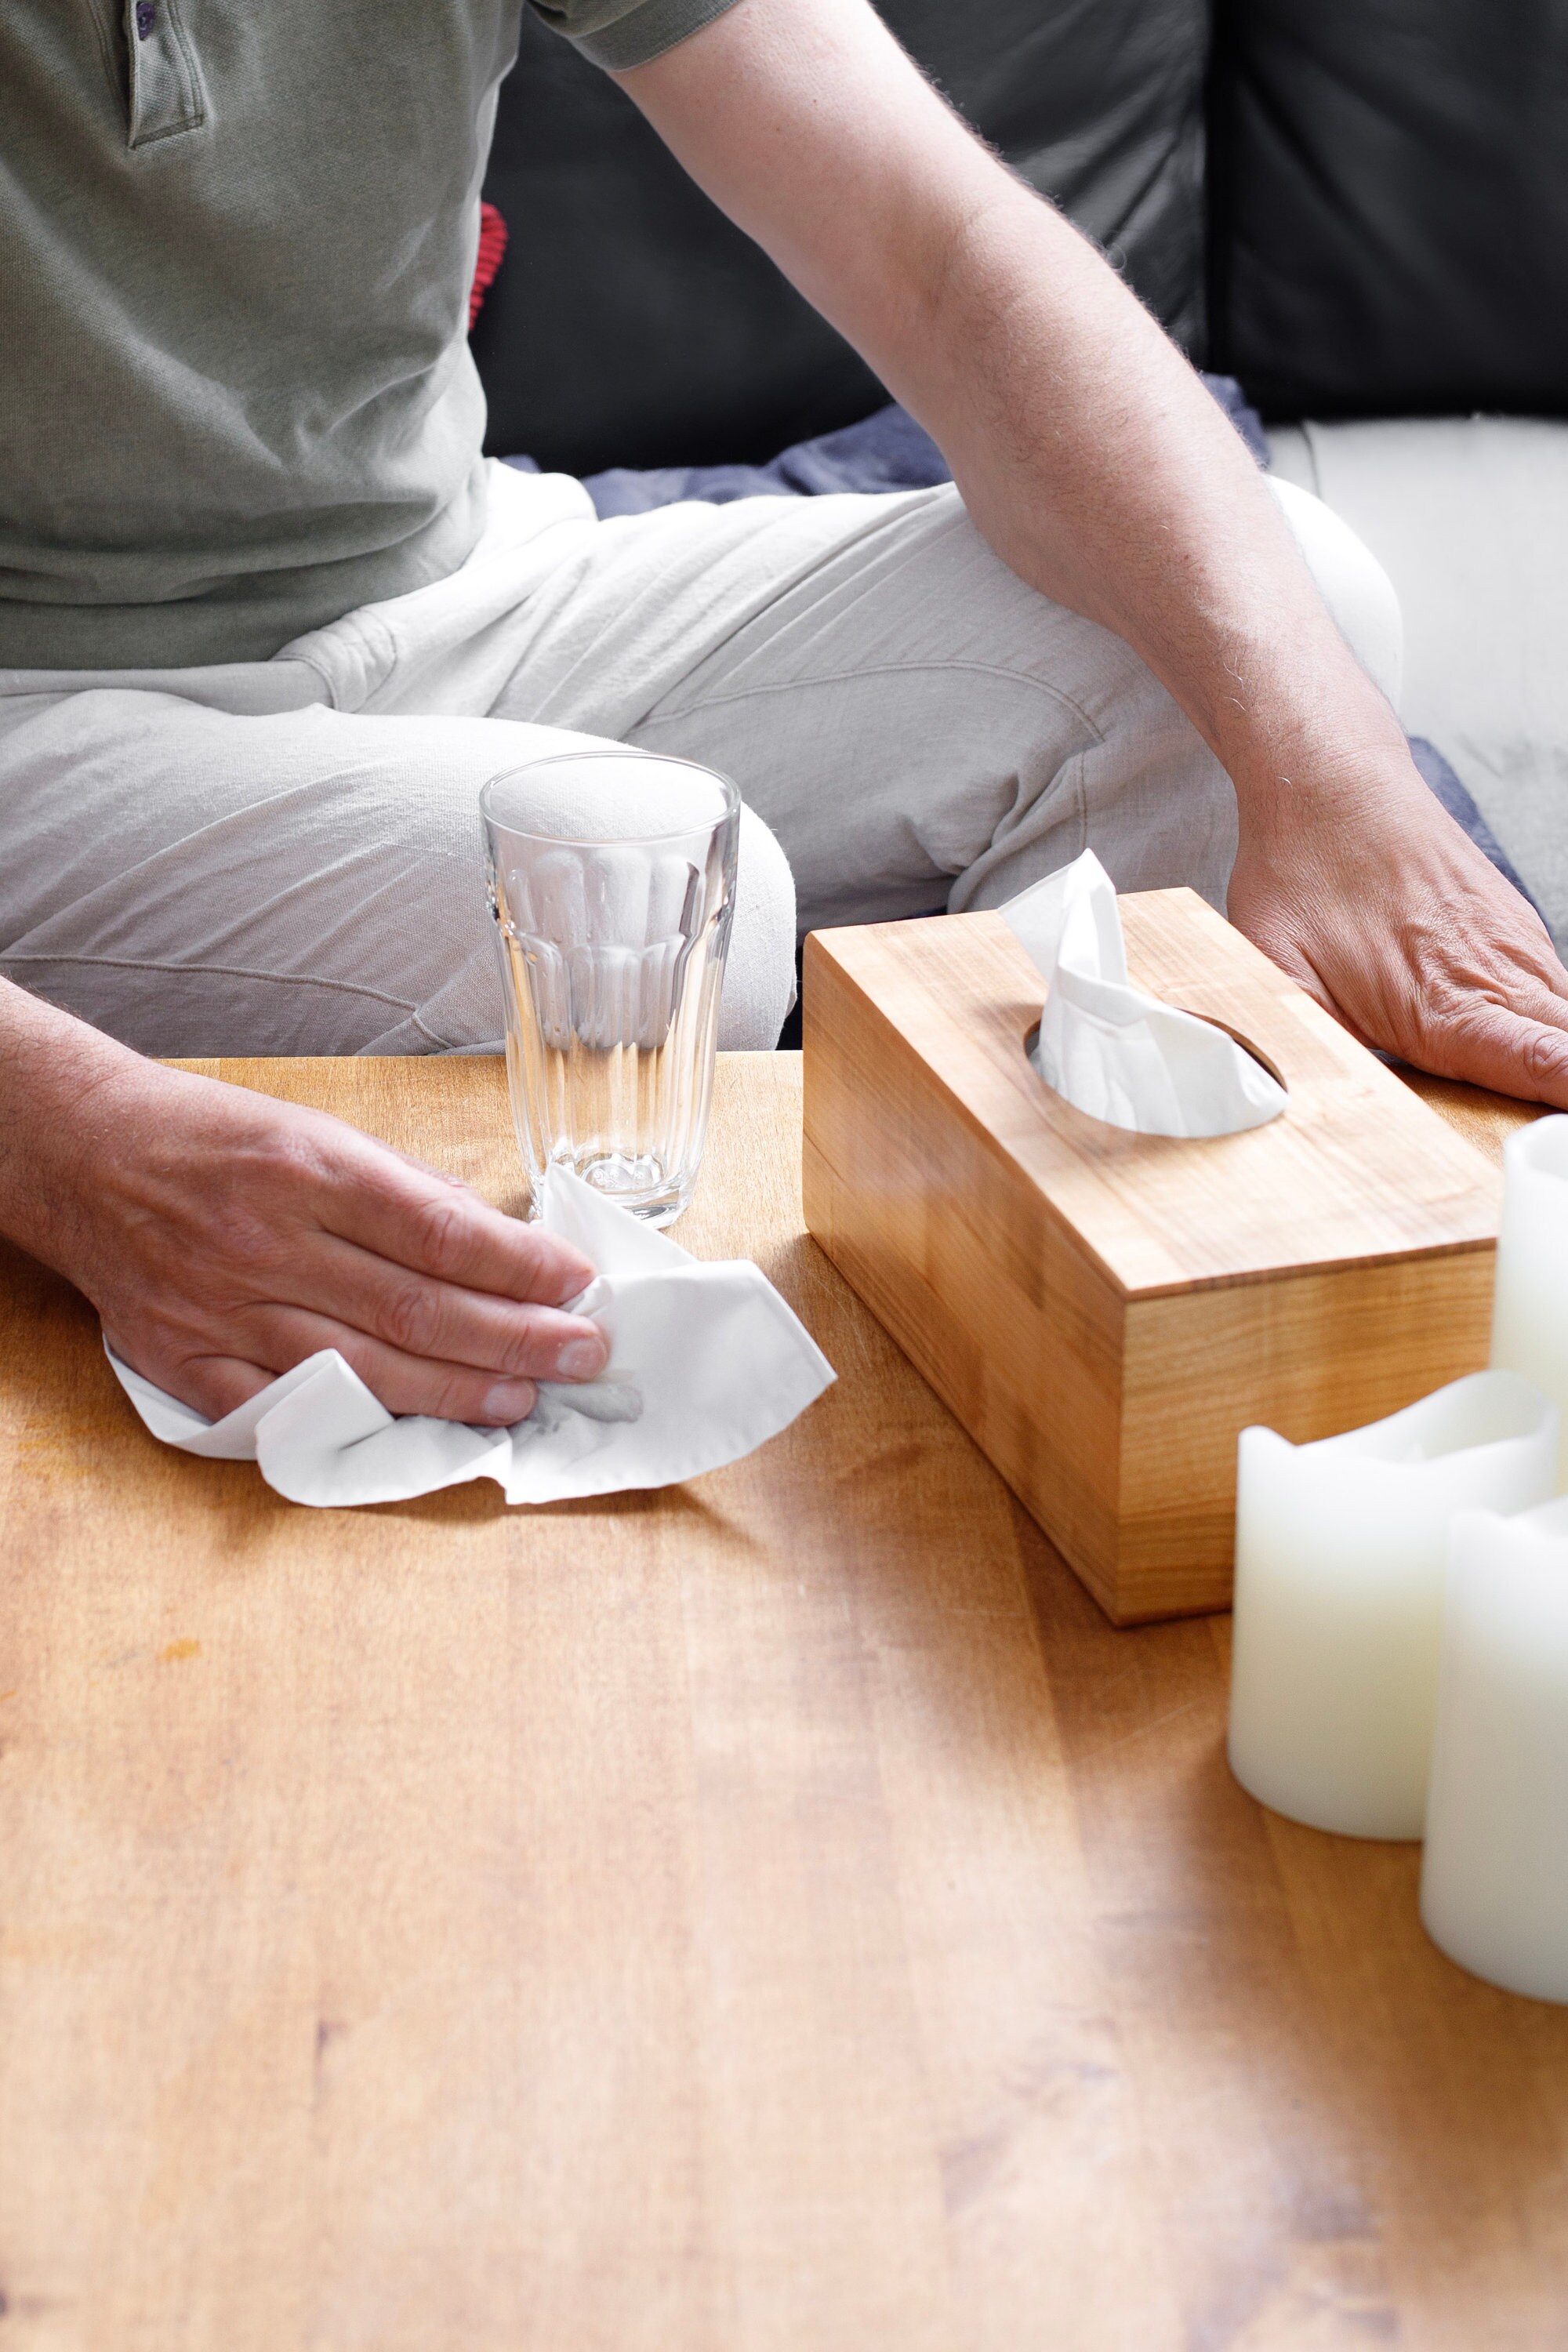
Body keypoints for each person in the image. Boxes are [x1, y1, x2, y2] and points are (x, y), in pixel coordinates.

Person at [2, 0, 1565, 1433]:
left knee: (1274, 625)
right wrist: (69, 1149)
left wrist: (1346, 789)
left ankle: (1057, 1352)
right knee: (647, 903)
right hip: (42, 705)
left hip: (463, 579)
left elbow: (940, 250)